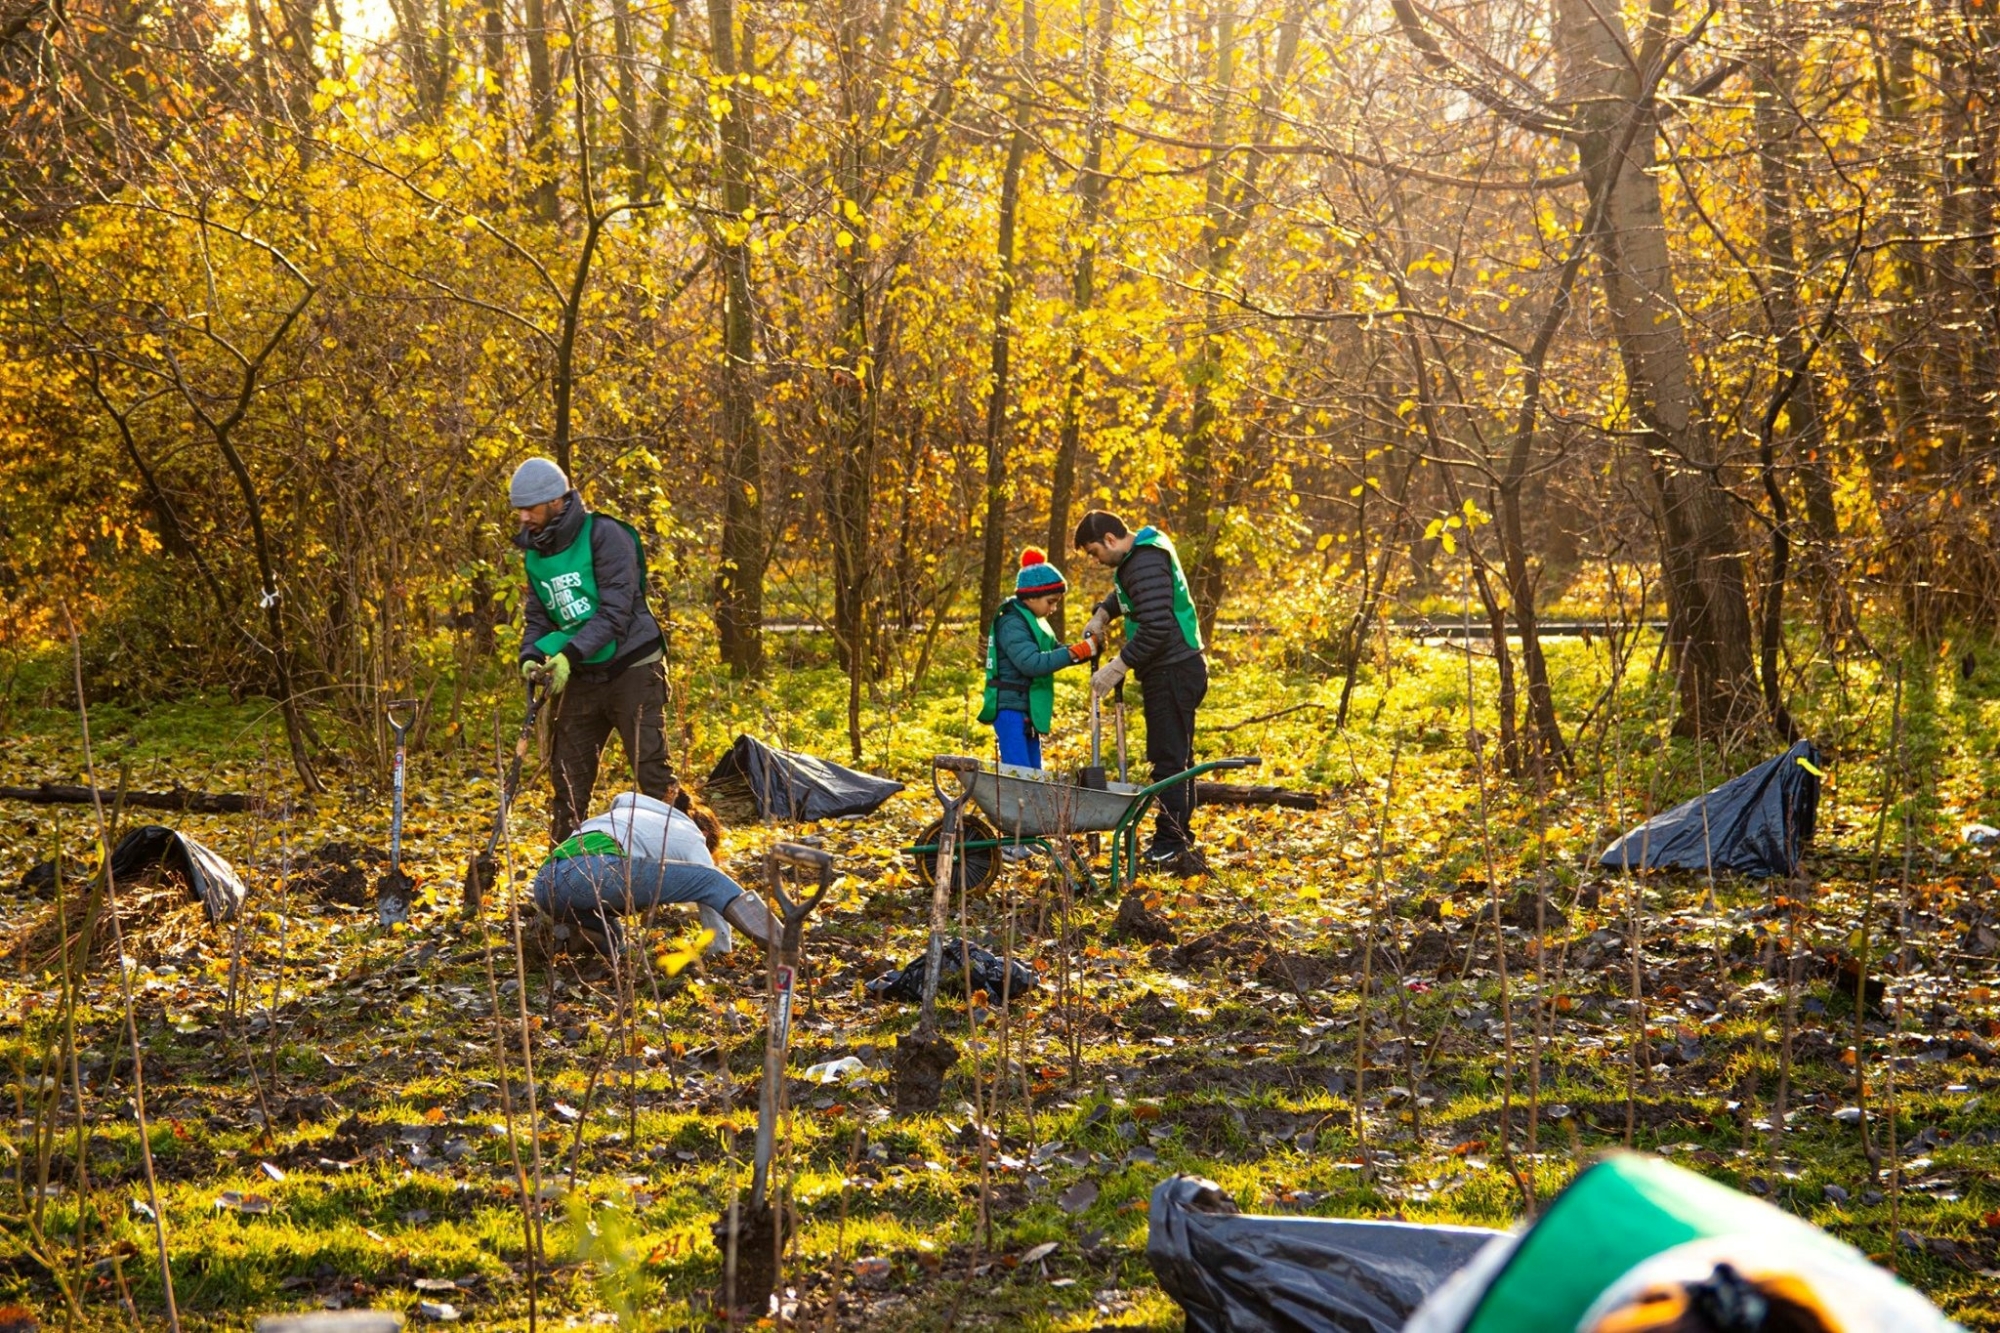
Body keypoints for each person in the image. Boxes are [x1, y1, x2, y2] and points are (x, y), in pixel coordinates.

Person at [510, 457, 675, 844]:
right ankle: (564, 871)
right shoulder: (536, 551)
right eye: (518, 509)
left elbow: (616, 610)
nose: (523, 517)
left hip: (632, 665)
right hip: (583, 671)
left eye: (530, 508)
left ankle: (692, 854)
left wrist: (569, 654)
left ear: (555, 501)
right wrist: (530, 653)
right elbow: (539, 614)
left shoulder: (605, 535)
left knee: (652, 773)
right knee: (567, 778)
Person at [1074, 509, 1208, 874]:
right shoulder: (1139, 556)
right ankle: (1177, 837)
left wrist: (1118, 666)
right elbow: (1132, 594)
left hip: (1173, 670)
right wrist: (1104, 612)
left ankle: (1170, 843)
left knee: (1168, 760)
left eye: (1093, 552)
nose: (1096, 560)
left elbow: (1157, 625)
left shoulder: (1145, 559)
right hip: (1174, 667)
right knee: (1177, 757)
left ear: (1111, 540)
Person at [532, 790, 773, 957]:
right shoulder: (689, 833)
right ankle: (779, 942)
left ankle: (566, 937)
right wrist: (721, 951)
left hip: (545, 883)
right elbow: (709, 887)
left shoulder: (630, 816)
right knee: (712, 880)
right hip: (592, 872)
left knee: (615, 938)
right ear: (706, 834)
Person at [978, 549, 1099, 770]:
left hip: (1027, 708)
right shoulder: (1012, 622)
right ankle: (1016, 805)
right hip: (1010, 710)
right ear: (1032, 596)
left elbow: (1055, 654)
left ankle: (1032, 805)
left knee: (1034, 772)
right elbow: (1032, 663)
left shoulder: (1034, 620)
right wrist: (1075, 652)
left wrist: (1085, 651)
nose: (1054, 608)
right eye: (1051, 601)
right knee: (1021, 774)